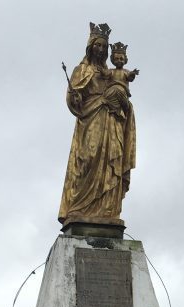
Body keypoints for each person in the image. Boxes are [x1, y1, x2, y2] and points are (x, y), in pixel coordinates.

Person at [58, 24, 137, 233]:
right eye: (98, 45)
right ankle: (79, 208)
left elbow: (123, 93)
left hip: (111, 120)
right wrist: (75, 98)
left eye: (104, 46)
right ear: (91, 47)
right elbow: (73, 100)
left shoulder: (110, 73)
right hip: (90, 119)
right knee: (88, 159)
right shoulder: (81, 70)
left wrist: (122, 103)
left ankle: (107, 210)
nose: (101, 50)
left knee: (111, 161)